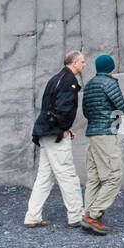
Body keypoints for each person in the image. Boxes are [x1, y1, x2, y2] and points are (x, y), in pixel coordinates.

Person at [24, 51, 86, 228]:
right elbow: (63, 109)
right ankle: (75, 215)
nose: (84, 64)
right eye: (82, 61)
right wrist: (63, 128)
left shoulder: (56, 79)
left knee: (45, 177)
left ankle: (32, 216)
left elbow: (49, 108)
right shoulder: (69, 82)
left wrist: (65, 128)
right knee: (67, 175)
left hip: (44, 132)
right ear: (74, 63)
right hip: (54, 135)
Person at [81, 54, 124, 235]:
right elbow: (122, 107)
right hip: (105, 134)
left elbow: (86, 111)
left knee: (94, 177)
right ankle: (93, 216)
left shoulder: (89, 85)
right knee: (113, 176)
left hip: (92, 134)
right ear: (110, 67)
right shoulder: (109, 83)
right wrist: (120, 111)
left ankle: (87, 213)